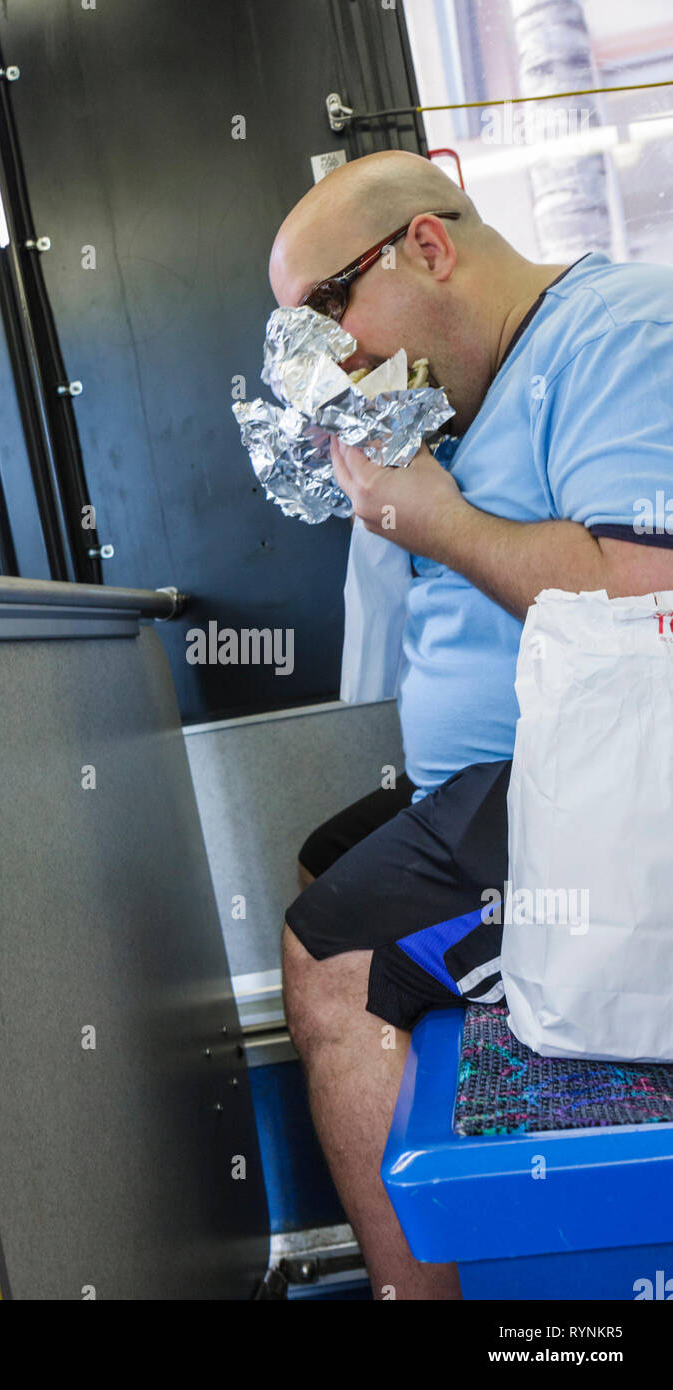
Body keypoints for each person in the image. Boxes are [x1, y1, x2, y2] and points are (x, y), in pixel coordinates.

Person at [268, 150, 673, 1299]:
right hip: (499, 782)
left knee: (331, 954)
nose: (331, 370)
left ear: (425, 249)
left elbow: (645, 604)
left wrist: (434, 523)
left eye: (328, 325)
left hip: (603, 794)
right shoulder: (452, 403)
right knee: (324, 859)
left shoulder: (621, 335)